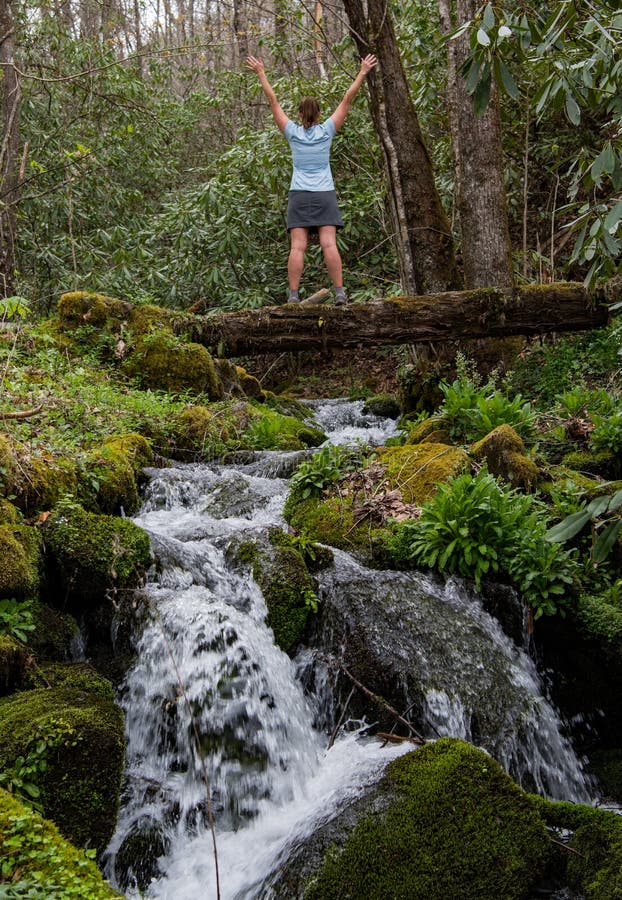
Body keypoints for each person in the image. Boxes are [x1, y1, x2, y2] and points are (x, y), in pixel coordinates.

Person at [246, 53, 378, 305]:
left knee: (298, 247)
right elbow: (347, 100)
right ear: (318, 115)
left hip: (299, 194)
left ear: (299, 113)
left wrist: (261, 73)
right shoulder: (327, 130)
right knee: (329, 244)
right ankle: (339, 293)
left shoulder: (292, 133)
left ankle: (294, 296)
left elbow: (273, 101)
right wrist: (362, 72)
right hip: (324, 193)